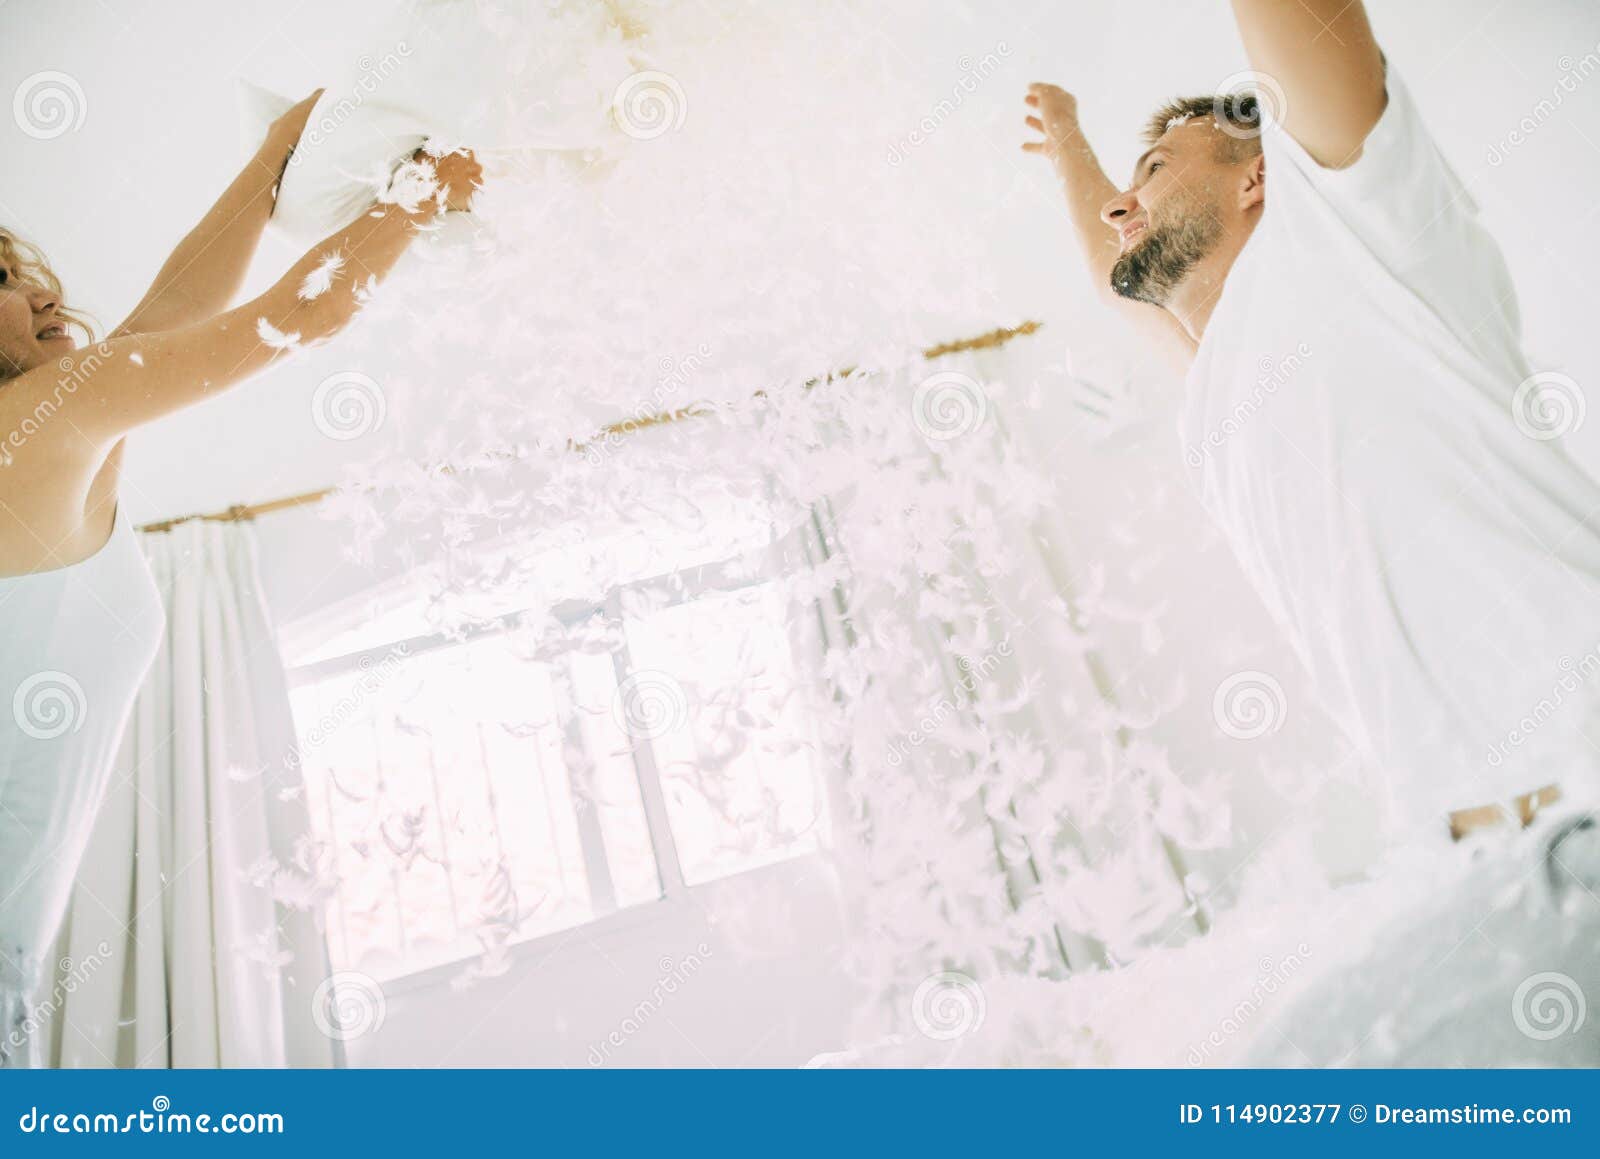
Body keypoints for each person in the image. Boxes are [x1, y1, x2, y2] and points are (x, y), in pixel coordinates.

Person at [1023, 0, 1597, 844]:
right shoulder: (1219, 392)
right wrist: (1066, 134)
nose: (1121, 206)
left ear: (1258, 175)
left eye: (1152, 169)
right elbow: (1113, 268)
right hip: (1482, 839)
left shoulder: (1356, 233)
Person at [0, 90, 482, 1068]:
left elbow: (173, 311)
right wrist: (430, 187)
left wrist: (275, 158)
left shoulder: (53, 431)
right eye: (0, 280)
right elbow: (299, 315)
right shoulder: (36, 425)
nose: (45, 293)